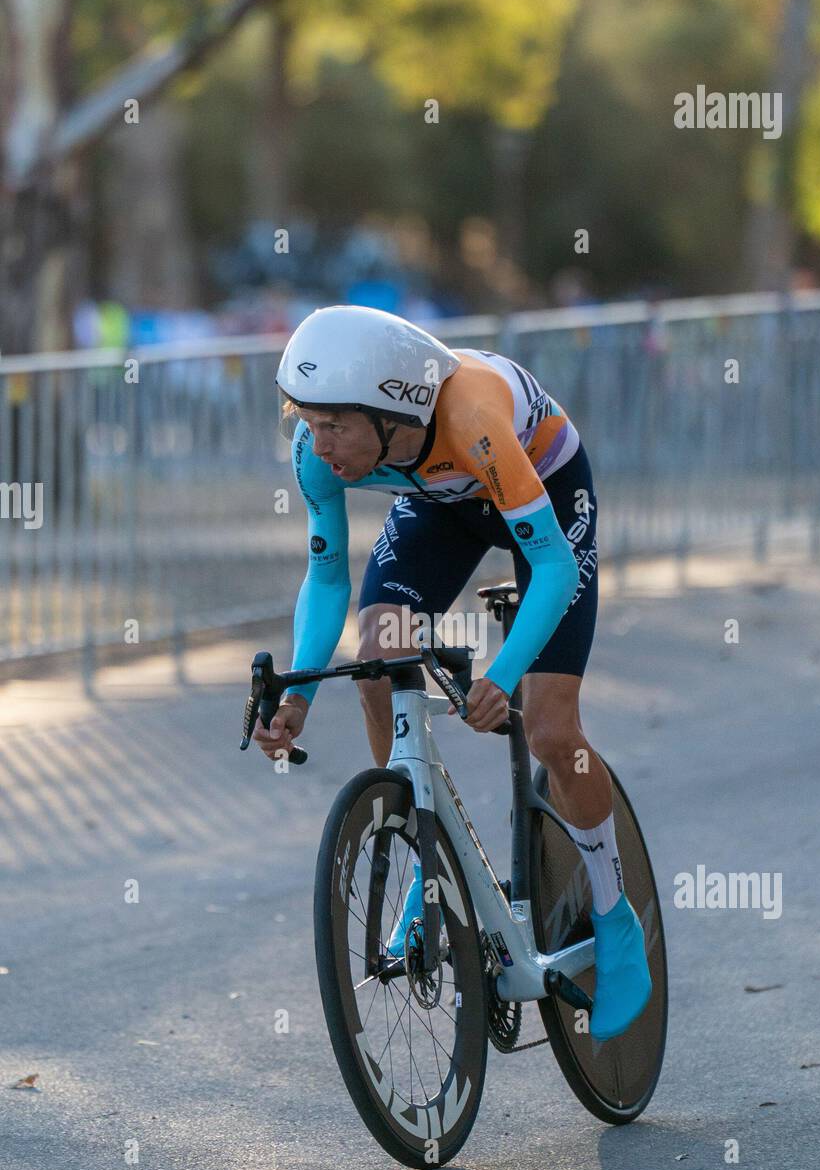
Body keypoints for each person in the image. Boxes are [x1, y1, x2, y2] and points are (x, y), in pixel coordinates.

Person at [254, 305, 650, 1041]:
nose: (318, 442)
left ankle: (614, 912)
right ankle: (423, 840)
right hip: (443, 503)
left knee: (553, 730)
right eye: (307, 420)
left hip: (543, 493)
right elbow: (328, 580)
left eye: (334, 425)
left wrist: (501, 675)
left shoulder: (471, 414)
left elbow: (554, 567)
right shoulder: (321, 448)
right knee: (378, 657)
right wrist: (299, 691)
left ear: (388, 410)